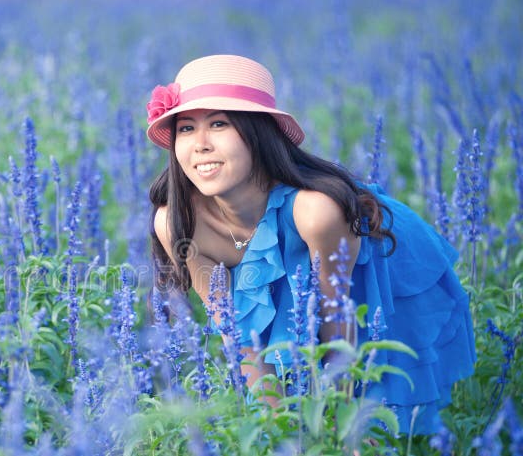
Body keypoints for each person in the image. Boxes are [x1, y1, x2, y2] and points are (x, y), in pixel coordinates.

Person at [146, 54, 476, 435]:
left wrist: (340, 435)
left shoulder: (316, 213)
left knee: (373, 441)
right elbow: (236, 335)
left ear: (258, 133)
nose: (200, 145)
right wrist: (275, 438)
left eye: (219, 123)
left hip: (376, 275)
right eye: (186, 129)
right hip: (305, 295)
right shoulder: (178, 224)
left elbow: (340, 331)